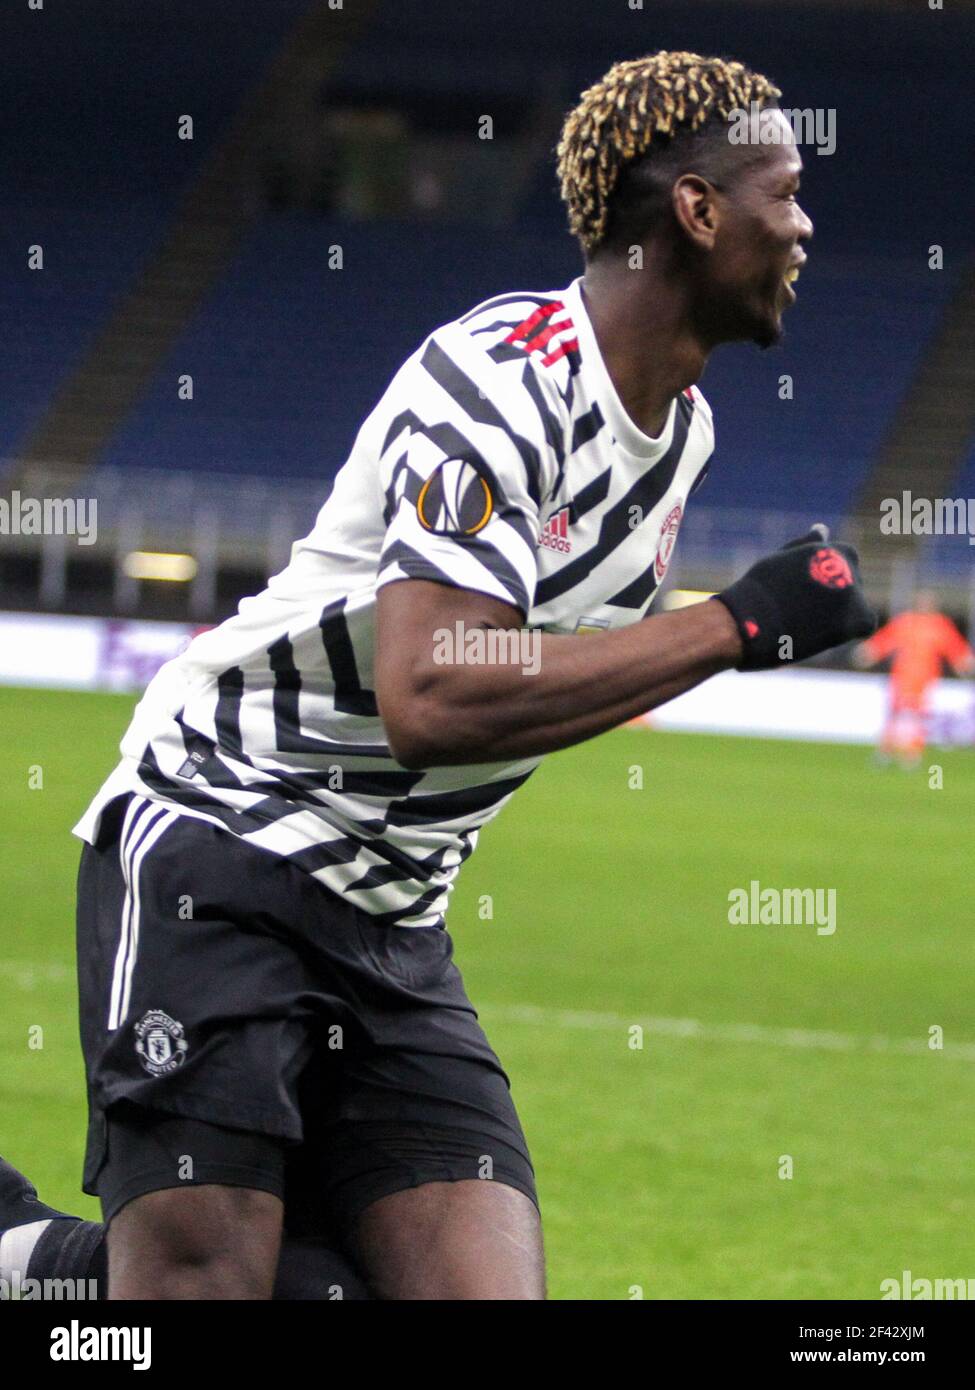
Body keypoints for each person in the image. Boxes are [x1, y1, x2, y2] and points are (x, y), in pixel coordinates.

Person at [47, 51, 874, 1300]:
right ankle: (40, 1261)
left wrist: (726, 632)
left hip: (395, 920)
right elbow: (430, 697)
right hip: (228, 843)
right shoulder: (502, 378)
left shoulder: (683, 434)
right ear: (698, 211)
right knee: (194, 1294)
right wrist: (740, 624)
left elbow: (547, 676)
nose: (805, 226)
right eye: (785, 192)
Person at [854, 590, 974, 765]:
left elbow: (954, 648)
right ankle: (886, 750)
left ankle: (913, 753)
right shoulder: (906, 621)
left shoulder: (939, 625)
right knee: (895, 712)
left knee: (918, 716)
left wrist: (964, 663)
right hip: (901, 675)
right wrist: (869, 652)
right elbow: (885, 640)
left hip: (924, 679)